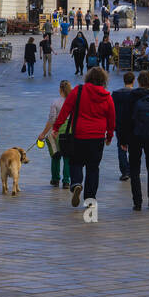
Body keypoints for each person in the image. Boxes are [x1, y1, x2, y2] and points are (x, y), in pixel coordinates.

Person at [53, 67, 116, 208]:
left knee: (75, 162)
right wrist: (109, 136)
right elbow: (112, 119)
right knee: (93, 168)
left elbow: (65, 110)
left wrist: (56, 127)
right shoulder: (107, 97)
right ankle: (90, 199)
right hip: (98, 137)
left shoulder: (78, 91)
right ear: (103, 80)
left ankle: (76, 183)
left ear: (88, 78)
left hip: (79, 135)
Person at [122, 72, 149, 210]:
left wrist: (123, 139)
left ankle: (137, 201)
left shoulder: (131, 97)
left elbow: (126, 119)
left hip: (135, 137)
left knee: (134, 169)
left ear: (138, 82)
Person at [40, 80, 74, 188]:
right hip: (70, 130)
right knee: (67, 157)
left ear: (60, 89)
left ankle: (55, 179)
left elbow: (51, 120)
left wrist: (43, 134)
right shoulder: (73, 101)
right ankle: (66, 181)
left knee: (55, 155)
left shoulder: (55, 102)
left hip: (57, 130)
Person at [111, 71, 140, 182]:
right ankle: (132, 170)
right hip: (133, 125)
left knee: (121, 148)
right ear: (133, 81)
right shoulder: (136, 94)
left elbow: (112, 111)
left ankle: (124, 172)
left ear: (124, 80)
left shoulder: (116, 94)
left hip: (120, 124)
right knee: (134, 149)